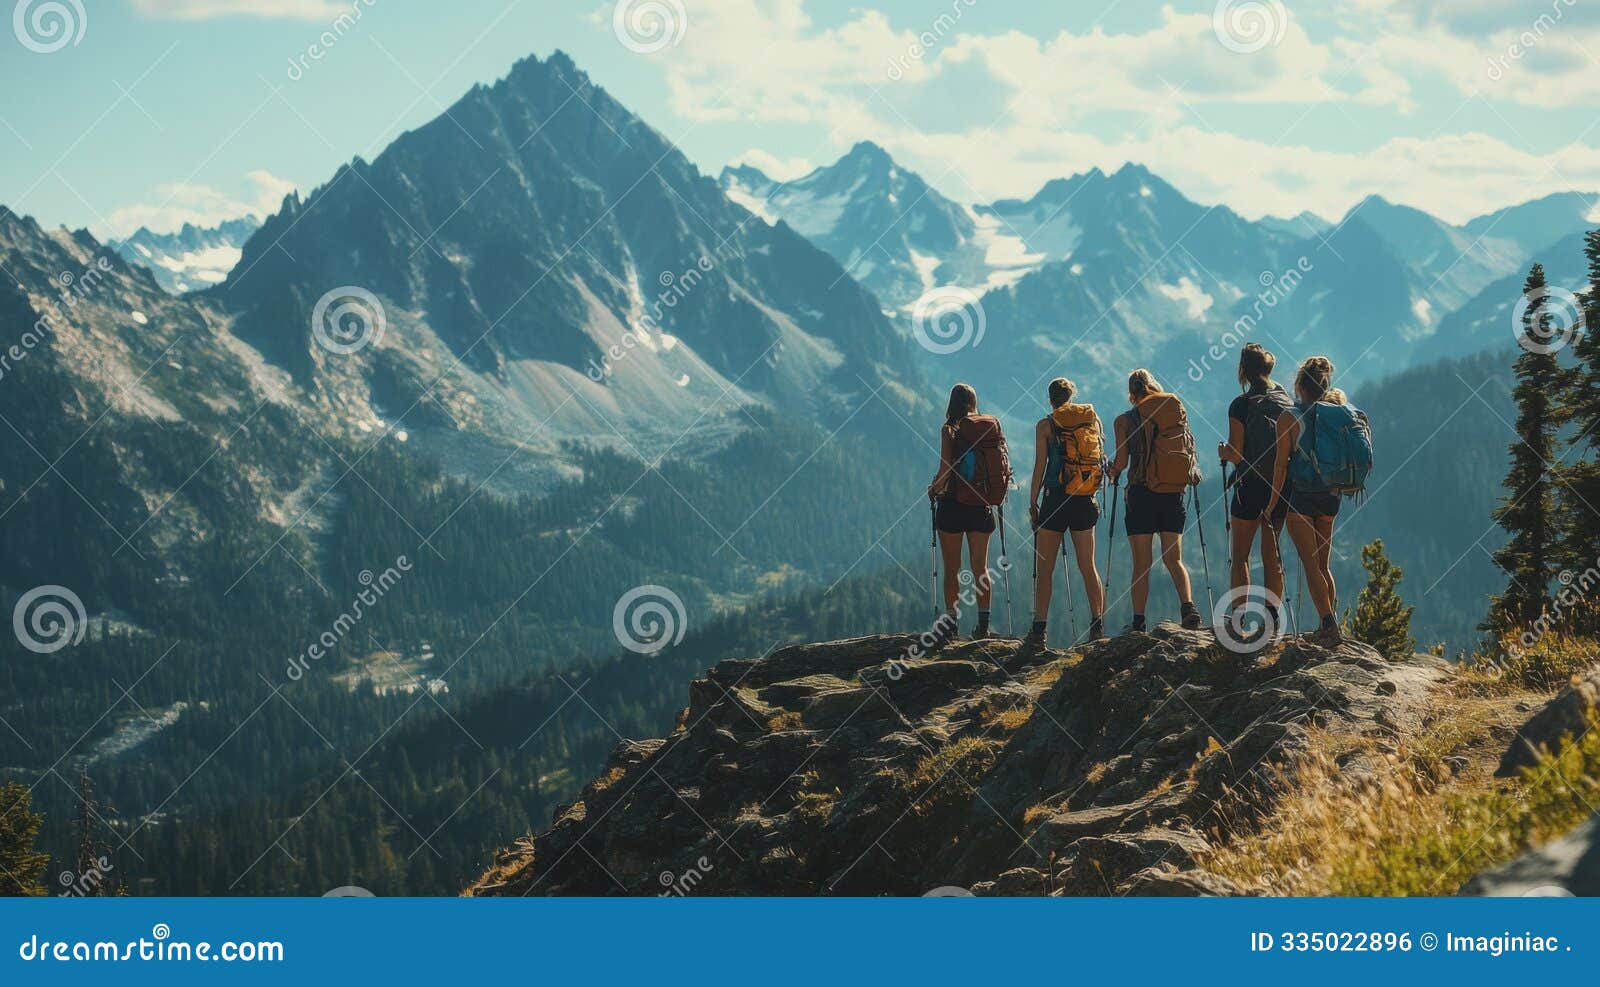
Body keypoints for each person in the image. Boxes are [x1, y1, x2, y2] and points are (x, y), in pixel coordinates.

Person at [1107, 369, 1202, 632]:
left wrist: (1111, 471)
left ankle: (1138, 623)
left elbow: (1121, 463)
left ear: (1131, 394)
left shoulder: (1125, 420)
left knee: (1142, 564)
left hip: (1142, 494)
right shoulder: (1172, 409)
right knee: (1174, 559)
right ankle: (1189, 608)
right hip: (1173, 493)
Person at [1265, 356, 1343, 640]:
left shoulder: (1288, 417)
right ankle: (1331, 620)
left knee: (1310, 566)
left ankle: (1327, 623)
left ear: (1299, 385)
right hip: (1332, 497)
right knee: (1324, 565)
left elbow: (1280, 466)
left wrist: (1273, 504)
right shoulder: (1336, 412)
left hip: (1301, 499)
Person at [1026, 378, 1107, 648]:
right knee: (1088, 565)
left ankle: (1039, 632)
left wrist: (1033, 501)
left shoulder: (1045, 425)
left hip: (1055, 500)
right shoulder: (1091, 421)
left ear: (1050, 398)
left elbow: (1040, 465)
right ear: (1071, 396)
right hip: (1085, 498)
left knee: (1045, 568)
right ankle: (1097, 626)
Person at [1217, 343, 1291, 632]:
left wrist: (1224, 452)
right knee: (1272, 555)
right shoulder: (1284, 398)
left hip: (1249, 486)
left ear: (1243, 371)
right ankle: (1273, 620)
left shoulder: (1241, 404)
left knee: (1241, 557)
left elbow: (1236, 453)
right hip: (1280, 485)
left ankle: (1238, 621)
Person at [928, 383, 996, 642]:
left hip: (953, 505)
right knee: (981, 567)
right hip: (981, 505)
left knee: (952, 568)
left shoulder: (949, 429)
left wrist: (933, 489)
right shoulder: (987, 428)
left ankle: (951, 624)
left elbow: (946, 468)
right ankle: (984, 624)